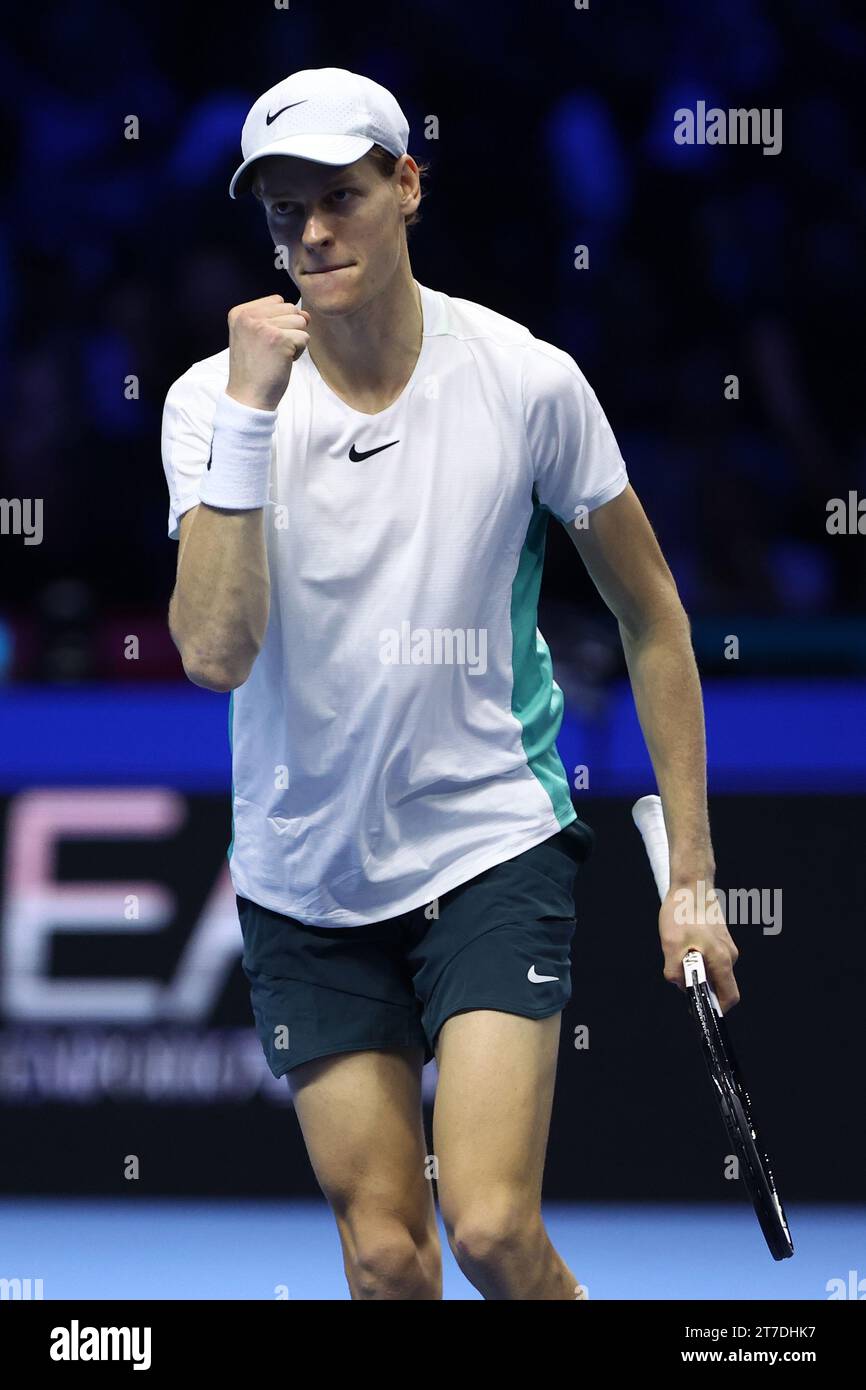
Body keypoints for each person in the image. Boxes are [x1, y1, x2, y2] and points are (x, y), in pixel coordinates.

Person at [161, 67, 739, 1301]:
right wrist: (254, 418)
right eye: (281, 212)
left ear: (406, 186)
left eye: (340, 197)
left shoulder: (526, 380)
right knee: (383, 1256)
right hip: (302, 874)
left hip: (488, 843)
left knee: (487, 1230)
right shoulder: (211, 402)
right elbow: (213, 652)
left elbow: (652, 616)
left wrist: (690, 874)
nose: (311, 233)